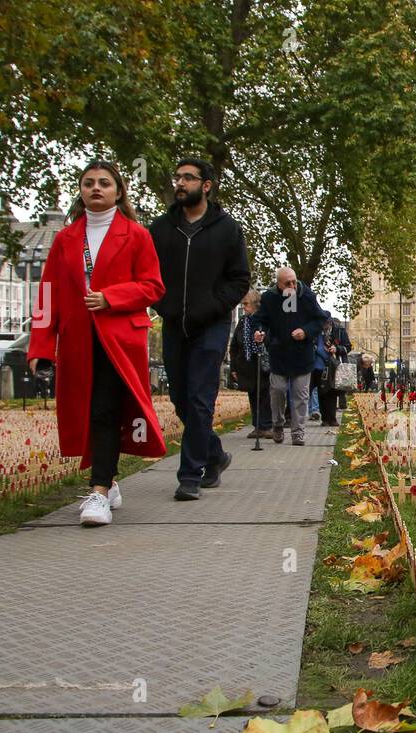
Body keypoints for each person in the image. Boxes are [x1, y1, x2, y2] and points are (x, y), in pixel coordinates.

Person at [27, 159, 168, 527]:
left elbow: (153, 287)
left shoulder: (137, 235)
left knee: (105, 409)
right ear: (81, 189)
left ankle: (99, 491)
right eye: (88, 182)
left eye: (104, 183)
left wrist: (111, 297)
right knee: (89, 412)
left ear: (119, 191)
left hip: (119, 340)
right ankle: (110, 479)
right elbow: (47, 296)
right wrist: (40, 347)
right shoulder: (65, 239)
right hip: (78, 340)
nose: (96, 188)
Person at [149, 158, 251, 501]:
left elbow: (240, 280)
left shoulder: (227, 229)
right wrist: (162, 305)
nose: (180, 183)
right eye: (177, 177)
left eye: (188, 178)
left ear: (206, 185)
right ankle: (215, 455)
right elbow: (148, 273)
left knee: (200, 397)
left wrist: (212, 306)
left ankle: (190, 475)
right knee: (180, 397)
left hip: (211, 324)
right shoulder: (161, 229)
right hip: (174, 323)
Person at [252, 267, 330, 446]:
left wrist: (305, 331)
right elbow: (259, 320)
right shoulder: (270, 298)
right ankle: (278, 424)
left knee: (300, 394)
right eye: (287, 283)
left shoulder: (307, 296)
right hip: (278, 353)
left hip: (302, 355)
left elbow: (320, 319)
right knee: (278, 390)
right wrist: (259, 332)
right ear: (278, 284)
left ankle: (298, 432)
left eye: (294, 281)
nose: (292, 286)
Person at [230, 289, 272, 438]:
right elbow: (234, 345)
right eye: (243, 304)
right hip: (247, 363)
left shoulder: (265, 319)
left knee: (265, 394)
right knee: (253, 394)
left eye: (246, 304)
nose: (244, 307)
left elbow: (273, 339)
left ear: (255, 304)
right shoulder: (243, 321)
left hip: (263, 362)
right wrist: (234, 368)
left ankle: (267, 425)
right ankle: (257, 426)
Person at [314, 319, 340, 427]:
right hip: (318, 367)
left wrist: (337, 348)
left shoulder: (338, 331)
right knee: (321, 392)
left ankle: (332, 418)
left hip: (333, 366)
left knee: (332, 392)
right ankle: (324, 418)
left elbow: (347, 346)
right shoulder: (316, 332)